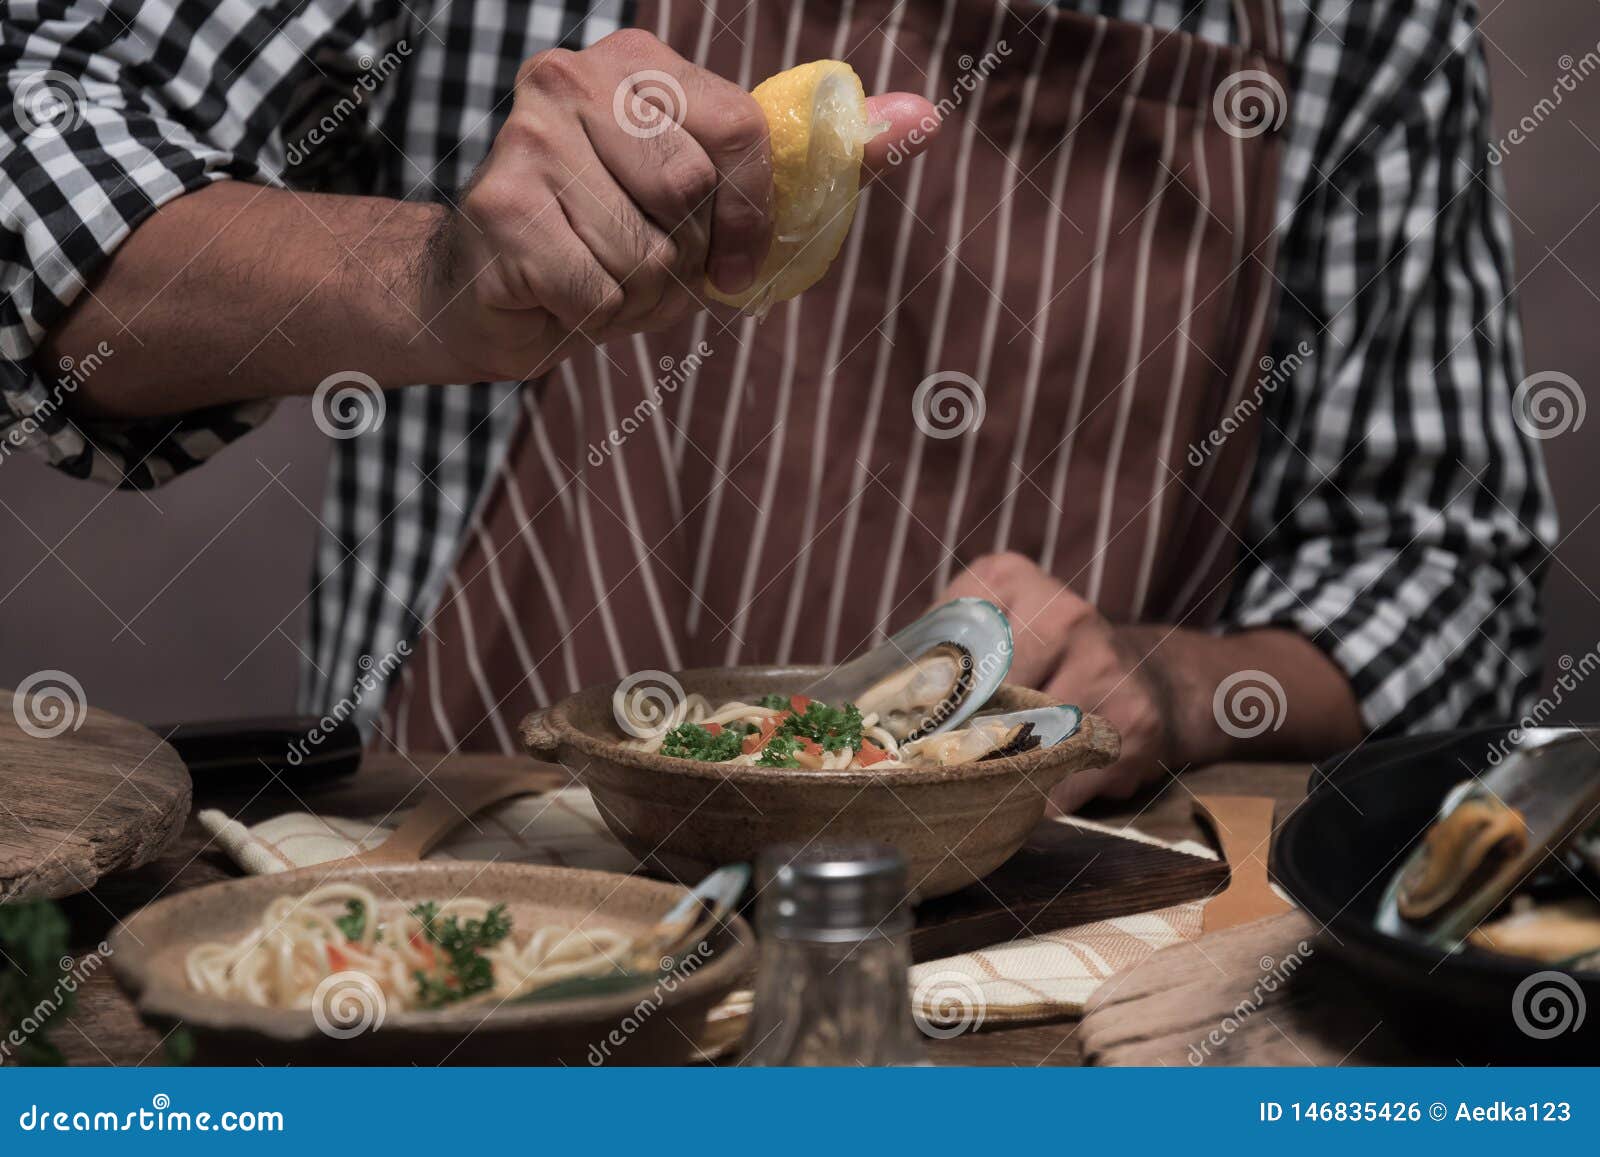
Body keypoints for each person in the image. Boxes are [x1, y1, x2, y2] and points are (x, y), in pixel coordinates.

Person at [2, 1, 1554, 811]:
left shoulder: (1367, 21)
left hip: (1032, 992)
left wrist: (1175, 677)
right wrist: (440, 277)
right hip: (472, 938)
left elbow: (1443, 565)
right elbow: (47, 194)